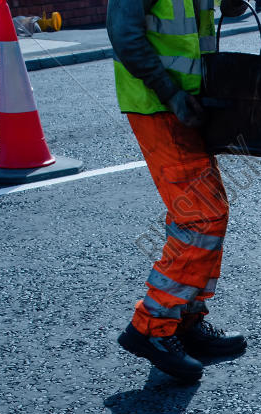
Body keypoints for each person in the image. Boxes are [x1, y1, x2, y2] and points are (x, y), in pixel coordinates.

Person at [108, 0, 251, 383]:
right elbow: (124, 33)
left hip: (189, 103)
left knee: (210, 212)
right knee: (200, 216)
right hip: (160, 105)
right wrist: (170, 93)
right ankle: (151, 327)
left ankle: (184, 319)